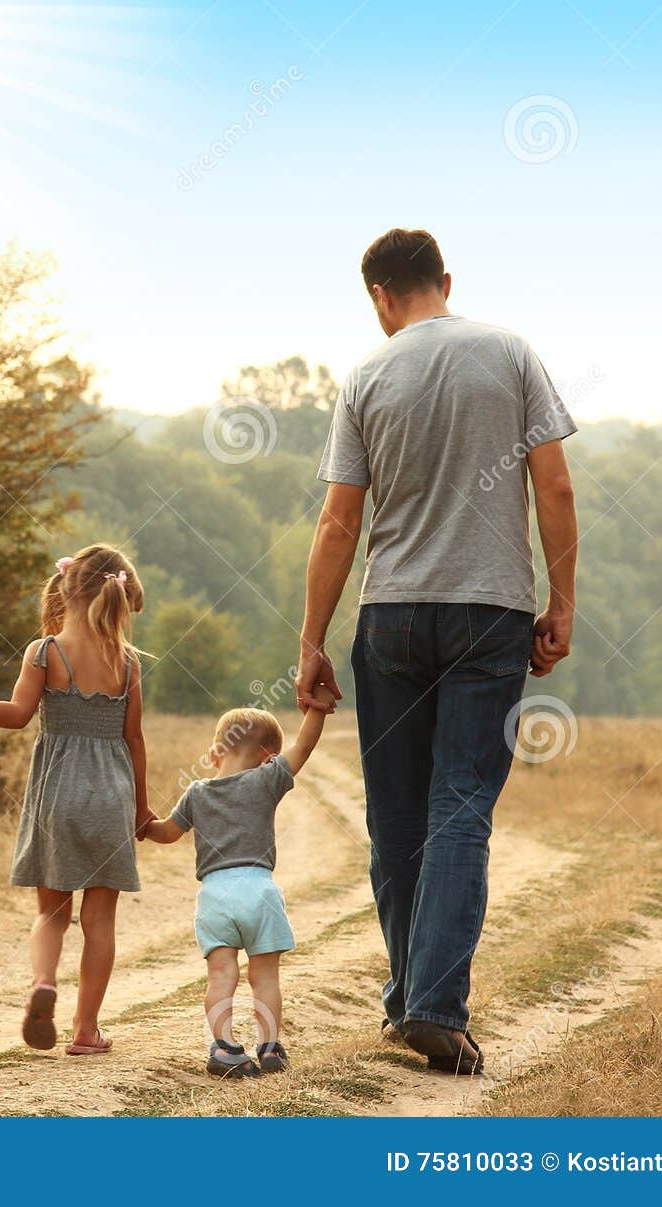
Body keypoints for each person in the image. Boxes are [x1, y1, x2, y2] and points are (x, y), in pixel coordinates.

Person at [296, 228, 579, 1075]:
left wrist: (311, 639)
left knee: (395, 815)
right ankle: (433, 1006)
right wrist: (562, 601)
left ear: (380, 296)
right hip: (490, 615)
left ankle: (405, 1001)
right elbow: (555, 484)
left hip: (390, 615)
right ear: (445, 280)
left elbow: (338, 522)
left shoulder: (366, 376)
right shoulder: (512, 354)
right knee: (461, 807)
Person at [0, 545, 148, 1056]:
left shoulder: (44, 652)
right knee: (100, 921)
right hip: (111, 798)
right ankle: (85, 1030)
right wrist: (140, 809)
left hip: (56, 795)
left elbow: (17, 713)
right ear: (115, 601)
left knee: (51, 913)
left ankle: (43, 982)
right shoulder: (127, 662)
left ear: (65, 591)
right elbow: (134, 738)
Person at [144, 691, 335, 1078]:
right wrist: (317, 707)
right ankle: (269, 1047)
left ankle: (225, 1048)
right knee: (264, 976)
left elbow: (165, 833)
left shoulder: (196, 792)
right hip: (259, 891)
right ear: (268, 758)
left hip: (215, 896)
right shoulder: (267, 779)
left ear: (215, 752)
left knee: (220, 975)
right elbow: (304, 745)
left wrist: (140, 821)